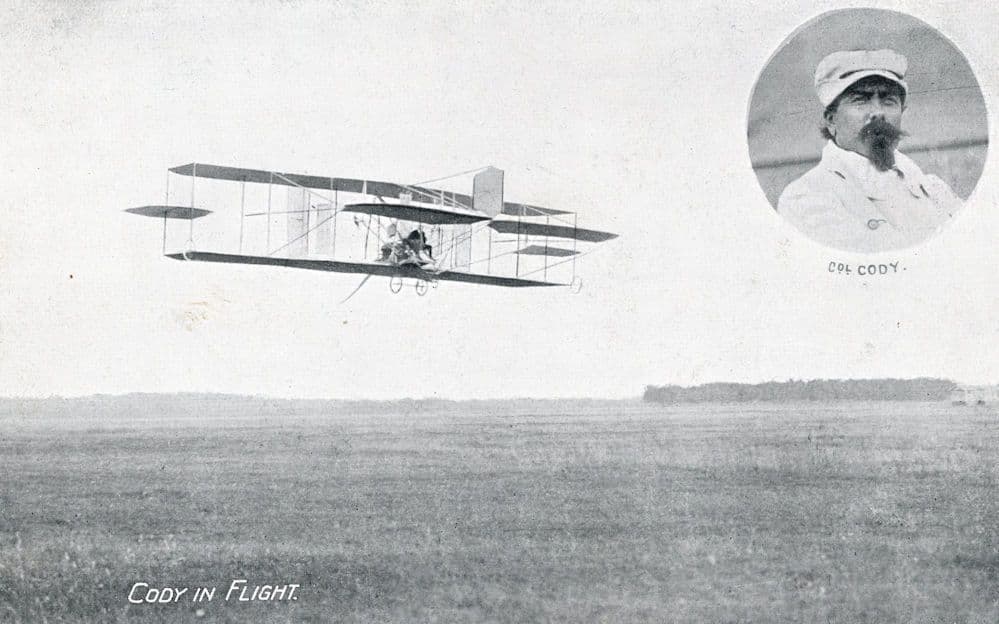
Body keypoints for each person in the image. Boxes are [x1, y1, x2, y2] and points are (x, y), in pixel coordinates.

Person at [777, 49, 961, 252]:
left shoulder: (934, 189)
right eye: (860, 100)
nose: (878, 113)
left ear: (902, 112)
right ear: (831, 120)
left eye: (888, 100)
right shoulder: (807, 196)